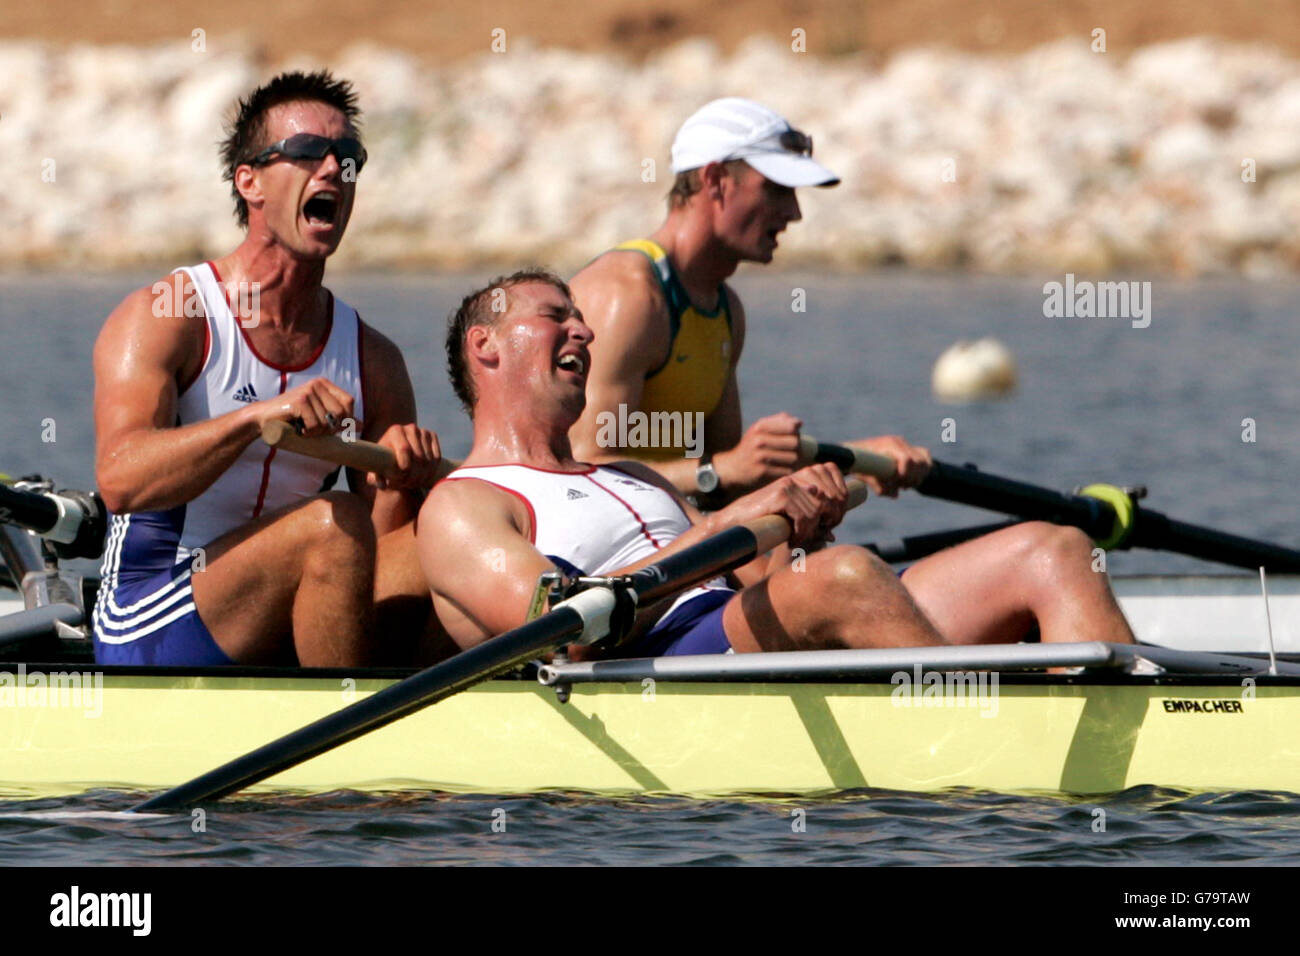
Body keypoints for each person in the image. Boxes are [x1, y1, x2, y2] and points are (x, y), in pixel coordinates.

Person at [418, 271, 1136, 656]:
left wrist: (797, 525)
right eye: (555, 316)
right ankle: (992, 738)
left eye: (580, 317)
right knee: (845, 577)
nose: (584, 329)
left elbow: (758, 574)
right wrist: (730, 522)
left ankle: (1130, 752)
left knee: (1054, 548)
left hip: (741, 622)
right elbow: (566, 630)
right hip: (654, 661)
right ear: (486, 346)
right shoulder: (463, 503)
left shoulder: (631, 475)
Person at [92, 70, 443, 667]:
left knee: (456, 529)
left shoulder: (374, 358)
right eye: (306, 151)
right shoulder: (170, 314)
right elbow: (121, 481)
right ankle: (347, 719)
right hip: (149, 618)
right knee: (332, 523)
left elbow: (383, 546)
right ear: (249, 181)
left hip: (290, 604)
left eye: (347, 157)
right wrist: (255, 419)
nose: (332, 169)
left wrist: (405, 481)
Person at [568, 96, 932, 504]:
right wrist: (719, 470)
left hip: (659, 528)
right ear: (715, 180)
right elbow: (583, 470)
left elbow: (732, 478)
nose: (794, 212)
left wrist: (857, 459)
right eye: (776, 190)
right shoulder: (628, 296)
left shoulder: (725, 310)